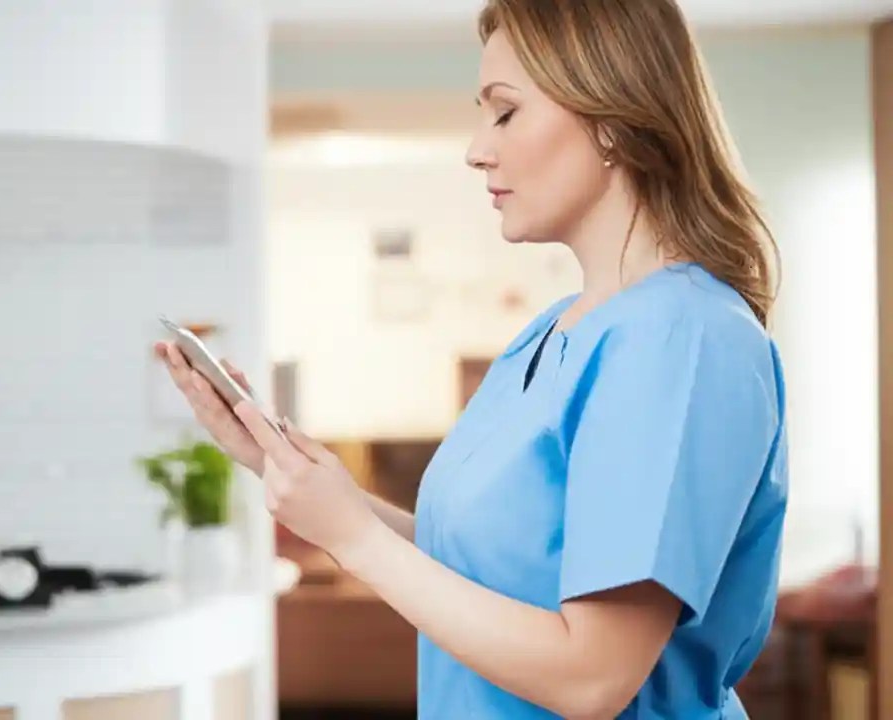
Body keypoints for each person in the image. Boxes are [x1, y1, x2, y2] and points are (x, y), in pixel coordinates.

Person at [154, 0, 787, 716]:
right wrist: (297, 479)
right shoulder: (549, 334)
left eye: (505, 112)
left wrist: (354, 537)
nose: (476, 149)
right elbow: (477, 565)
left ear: (613, 121)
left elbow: (593, 677)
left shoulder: (683, 336)